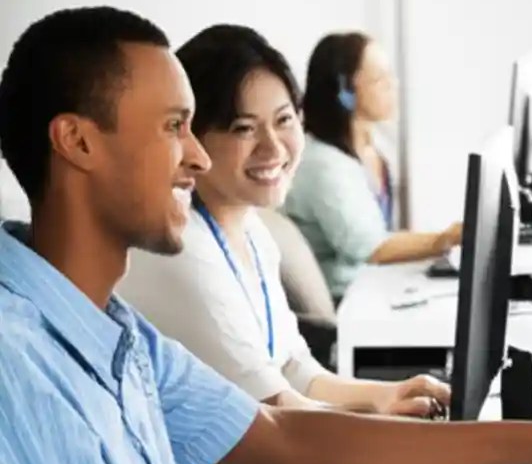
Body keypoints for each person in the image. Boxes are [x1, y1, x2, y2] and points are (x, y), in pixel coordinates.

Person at [0, 6, 532, 464]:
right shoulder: (17, 364)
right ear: (77, 142)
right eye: (174, 128)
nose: (196, 157)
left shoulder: (112, 333)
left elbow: (282, 445)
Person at [118, 24, 449, 415]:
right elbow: (279, 417)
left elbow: (295, 368)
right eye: (243, 128)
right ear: (193, 137)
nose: (273, 147)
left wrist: (387, 395)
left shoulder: (252, 228)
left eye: (284, 120)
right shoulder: (181, 249)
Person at [283, 31, 462, 301]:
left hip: (371, 289)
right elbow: (370, 247)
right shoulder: (324, 164)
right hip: (344, 303)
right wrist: (446, 238)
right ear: (345, 91)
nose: (394, 85)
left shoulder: (371, 148)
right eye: (380, 79)